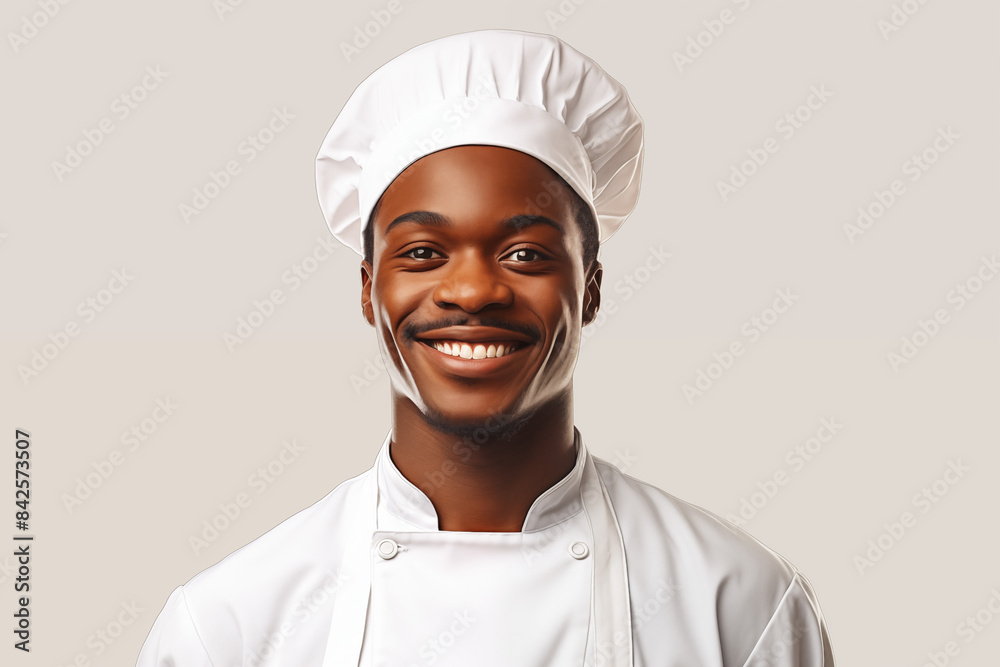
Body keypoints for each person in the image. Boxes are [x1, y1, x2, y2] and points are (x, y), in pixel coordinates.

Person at [136, 28, 835, 666]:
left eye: (526, 252)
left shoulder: (741, 606)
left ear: (589, 287)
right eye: (423, 251)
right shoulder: (229, 626)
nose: (472, 290)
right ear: (367, 287)